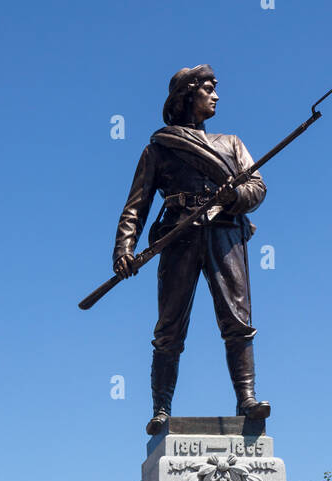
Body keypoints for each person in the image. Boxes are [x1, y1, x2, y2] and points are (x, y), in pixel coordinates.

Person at [113, 65, 270, 435]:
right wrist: (124, 247)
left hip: (224, 233)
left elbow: (258, 188)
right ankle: (161, 410)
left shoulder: (232, 144)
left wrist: (235, 194)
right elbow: (136, 205)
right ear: (188, 95)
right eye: (209, 89)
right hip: (178, 236)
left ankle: (246, 399)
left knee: (237, 320)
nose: (216, 96)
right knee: (169, 327)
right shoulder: (160, 148)